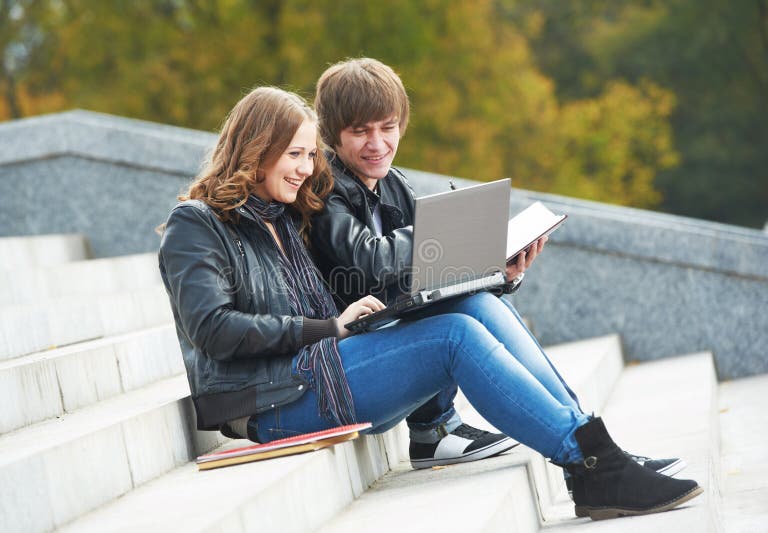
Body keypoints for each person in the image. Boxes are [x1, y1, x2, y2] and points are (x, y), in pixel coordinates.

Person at [158, 86, 702, 520]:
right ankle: (591, 464)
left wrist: (491, 276)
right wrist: (327, 327)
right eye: (294, 155)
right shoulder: (196, 225)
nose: (306, 169)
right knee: (453, 337)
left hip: (315, 370)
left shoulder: (283, 215)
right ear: (255, 150)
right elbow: (213, 330)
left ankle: (595, 446)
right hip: (272, 401)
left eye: (309, 155)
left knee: (470, 309)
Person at [309, 59, 687, 484]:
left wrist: (499, 273)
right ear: (332, 134)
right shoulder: (324, 189)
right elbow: (368, 264)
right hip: (352, 357)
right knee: (463, 321)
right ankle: (583, 450)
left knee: (479, 302)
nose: (377, 143)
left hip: (392, 334)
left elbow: (429, 274)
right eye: (360, 131)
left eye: (387, 127)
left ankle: (592, 443)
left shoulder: (392, 184)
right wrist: (445, 231)